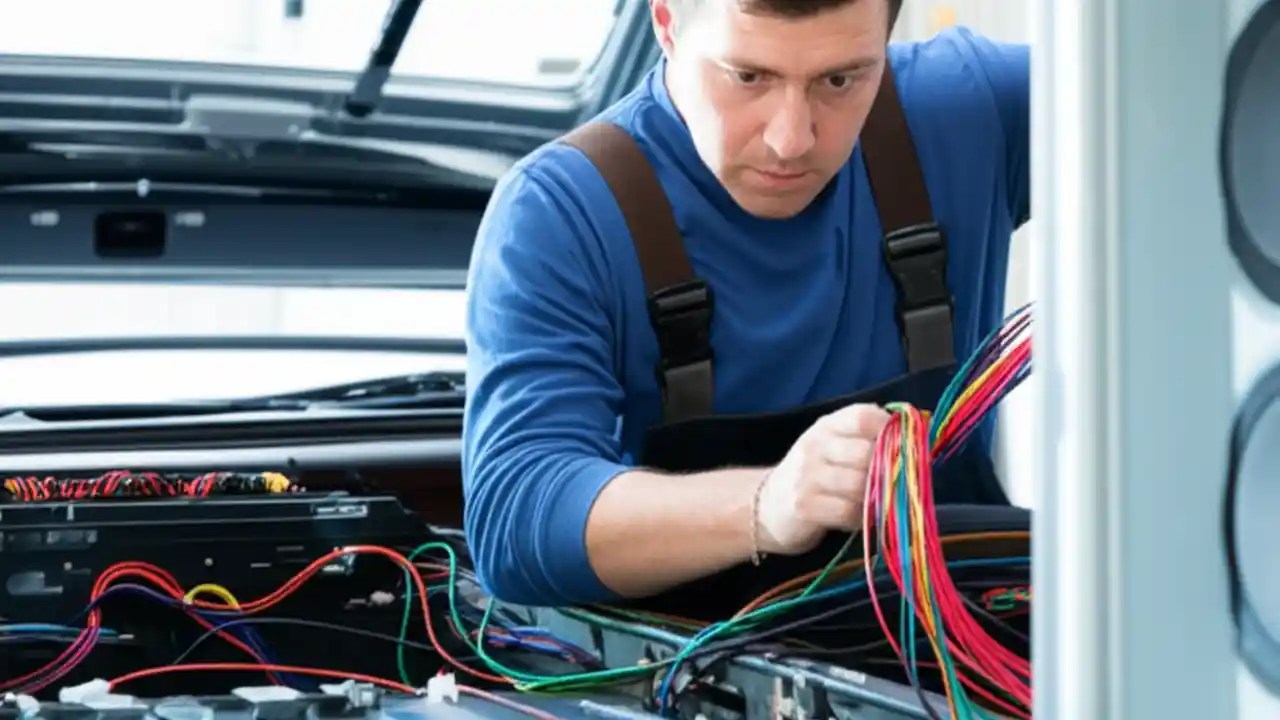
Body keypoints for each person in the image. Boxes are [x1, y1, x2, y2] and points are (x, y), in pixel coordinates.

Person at [462, 0, 1030, 612]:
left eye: (840, 80)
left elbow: (1149, 82)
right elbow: (516, 522)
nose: (791, 140)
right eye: (748, 76)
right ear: (666, 23)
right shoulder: (560, 212)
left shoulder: (968, 112)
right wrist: (768, 503)